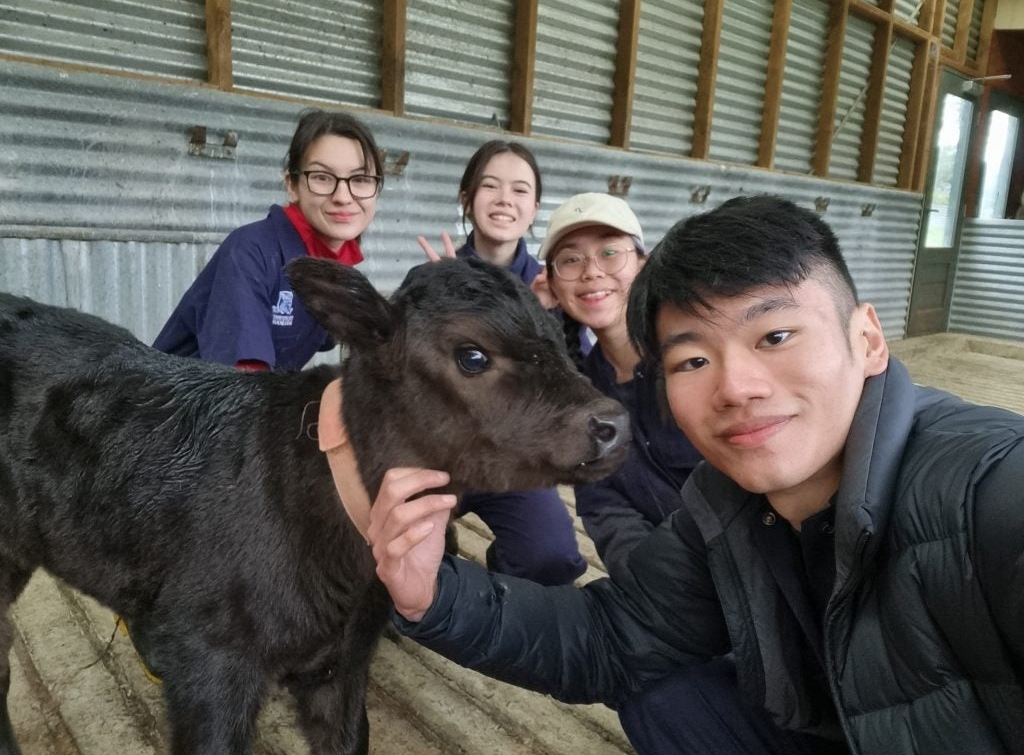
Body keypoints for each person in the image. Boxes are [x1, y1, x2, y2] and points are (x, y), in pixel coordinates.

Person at [368, 195, 1024, 755]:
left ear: (869, 340)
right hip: (805, 680)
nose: (737, 387)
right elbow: (612, 632)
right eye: (693, 361)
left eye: (774, 336)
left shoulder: (990, 493)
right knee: (662, 691)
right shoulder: (723, 500)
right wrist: (435, 594)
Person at [416, 140, 587, 586]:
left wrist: (537, 317)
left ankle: (502, 593)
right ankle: (439, 532)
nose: (504, 199)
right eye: (490, 186)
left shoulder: (552, 286)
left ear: (533, 209)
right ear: (467, 200)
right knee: (388, 563)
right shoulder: (433, 277)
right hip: (435, 458)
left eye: (520, 190)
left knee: (551, 560)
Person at [537, 192, 703, 580]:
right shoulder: (582, 393)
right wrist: (648, 577)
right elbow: (602, 503)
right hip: (664, 587)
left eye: (610, 252)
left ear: (644, 266)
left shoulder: (698, 357)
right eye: (571, 260)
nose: (591, 271)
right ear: (555, 287)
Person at [153, 108, 383, 370]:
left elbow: (382, 345)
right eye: (322, 177)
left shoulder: (333, 267)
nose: (343, 196)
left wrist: (436, 296)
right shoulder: (251, 251)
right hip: (178, 407)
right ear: (292, 186)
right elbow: (243, 383)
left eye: (361, 179)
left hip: (259, 401)